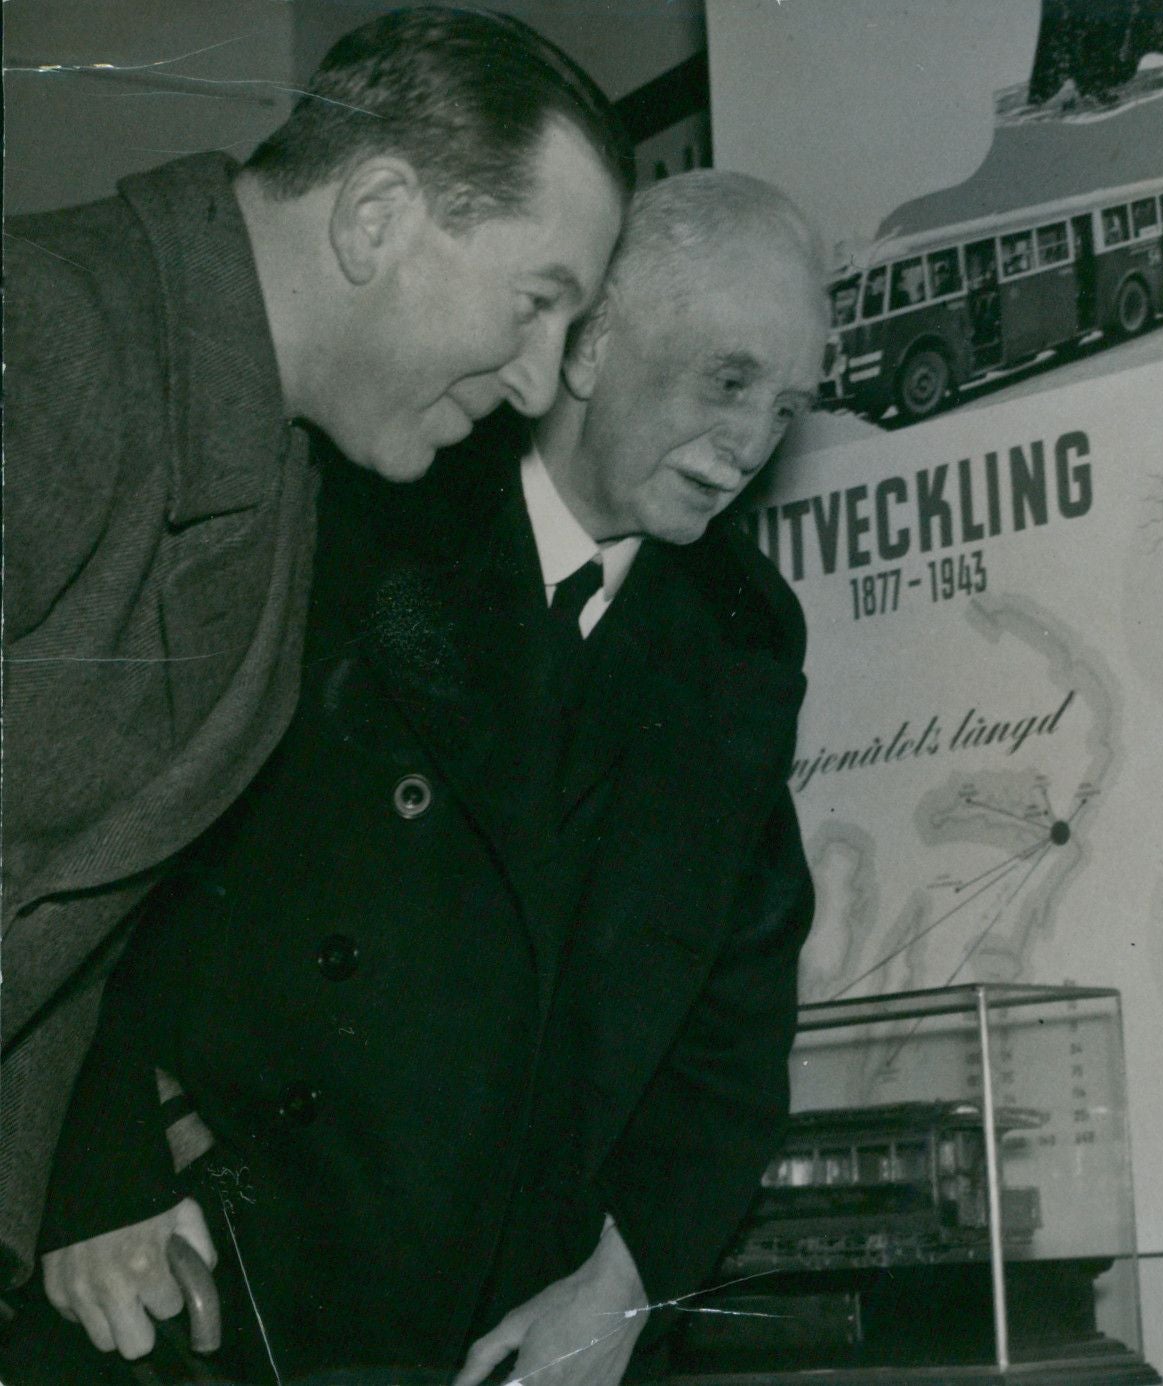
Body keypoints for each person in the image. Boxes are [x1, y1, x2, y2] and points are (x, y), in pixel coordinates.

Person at [29, 172, 827, 1384]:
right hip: (217, 1278)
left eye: (788, 405)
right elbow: (108, 850)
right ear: (590, 347)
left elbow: (736, 1003)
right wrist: (97, 1176)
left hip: (512, 1326)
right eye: (728, 380)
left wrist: (622, 1286)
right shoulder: (353, 512)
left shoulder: (741, 636)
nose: (751, 442)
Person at [0, 5, 630, 1322]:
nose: (534, 383)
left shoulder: (291, 476)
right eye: (536, 302)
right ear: (378, 216)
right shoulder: (43, 339)